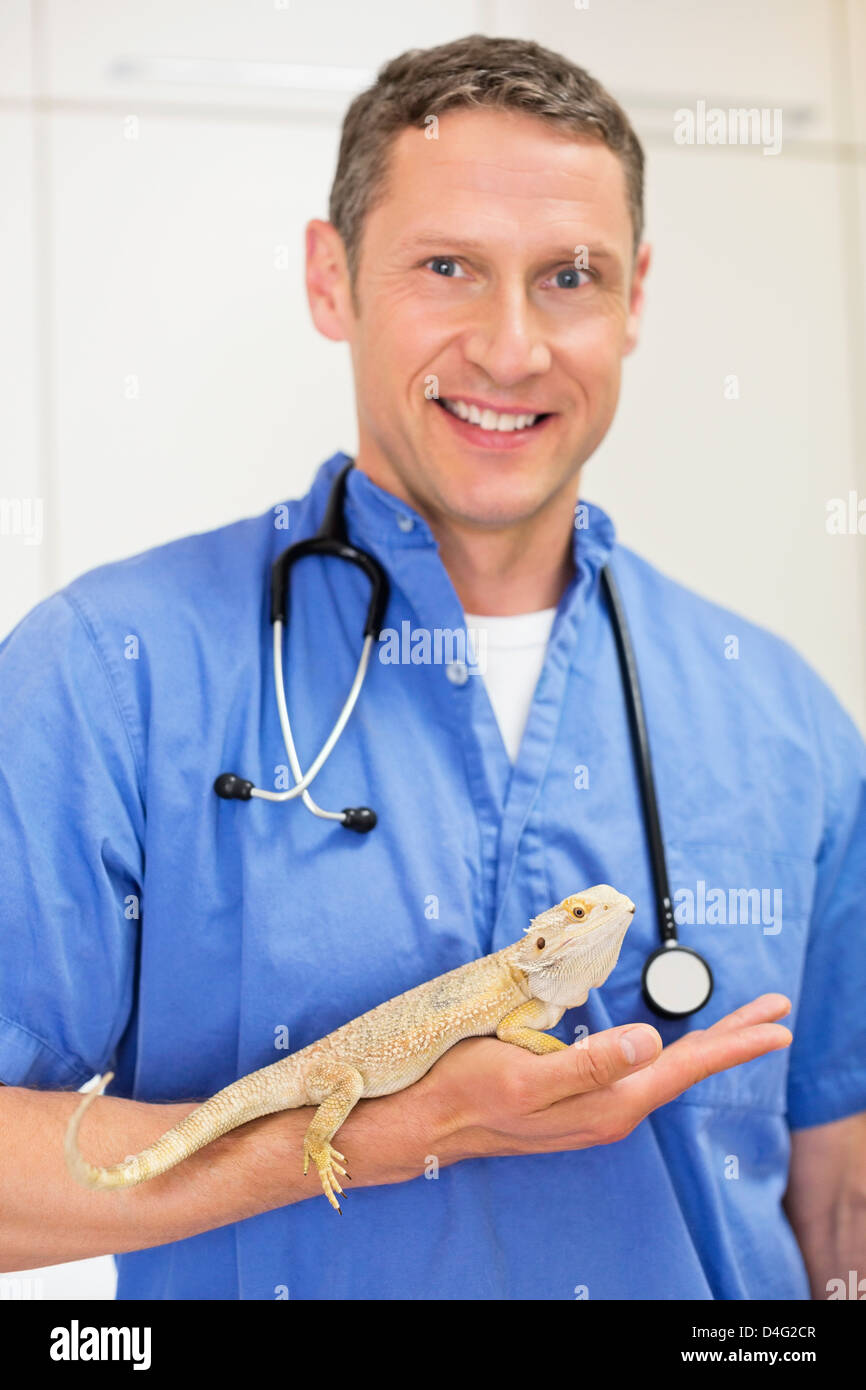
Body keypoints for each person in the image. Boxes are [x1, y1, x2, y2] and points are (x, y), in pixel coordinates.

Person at [0, 34, 864, 1302]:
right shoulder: (109, 673)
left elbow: (835, 1193)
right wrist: (390, 1131)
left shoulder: (784, 718)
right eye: (446, 265)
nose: (510, 349)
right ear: (330, 277)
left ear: (633, 299)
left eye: (568, 275)